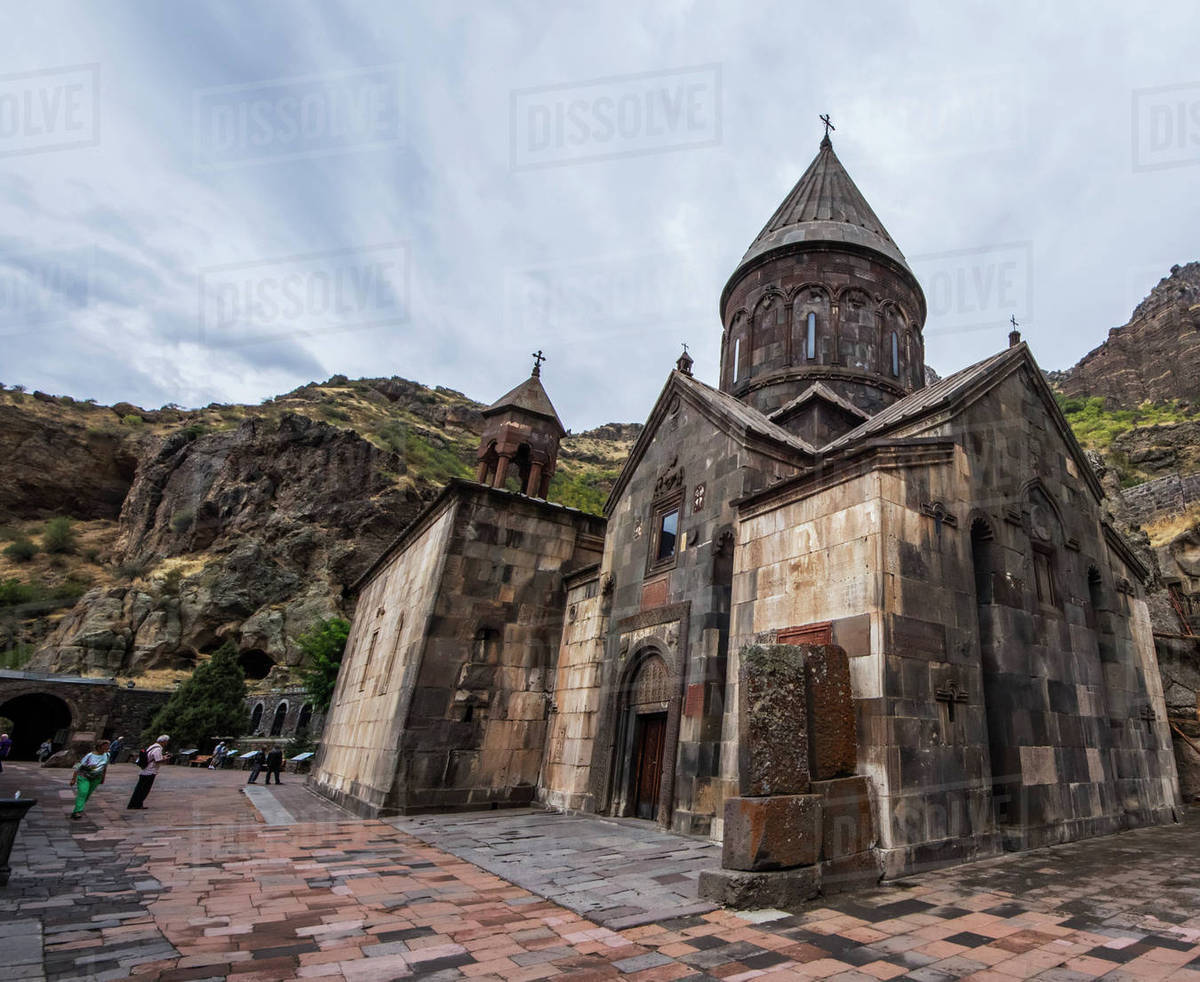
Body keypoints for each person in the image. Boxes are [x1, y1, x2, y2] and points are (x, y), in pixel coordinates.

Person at [69, 739, 111, 820]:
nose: (107, 748)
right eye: (105, 746)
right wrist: (73, 779)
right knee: (83, 792)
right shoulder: (90, 755)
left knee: (87, 794)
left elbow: (104, 767)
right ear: (99, 747)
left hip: (96, 778)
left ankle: (77, 809)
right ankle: (77, 811)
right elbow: (78, 766)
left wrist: (103, 778)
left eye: (107, 746)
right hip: (84, 776)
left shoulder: (107, 755)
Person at [126, 734, 169, 810]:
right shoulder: (158, 749)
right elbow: (157, 760)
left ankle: (134, 804)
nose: (166, 743)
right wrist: (165, 758)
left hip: (145, 770)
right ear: (163, 741)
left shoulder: (152, 746)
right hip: (150, 771)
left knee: (139, 788)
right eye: (166, 742)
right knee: (144, 789)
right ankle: (137, 804)